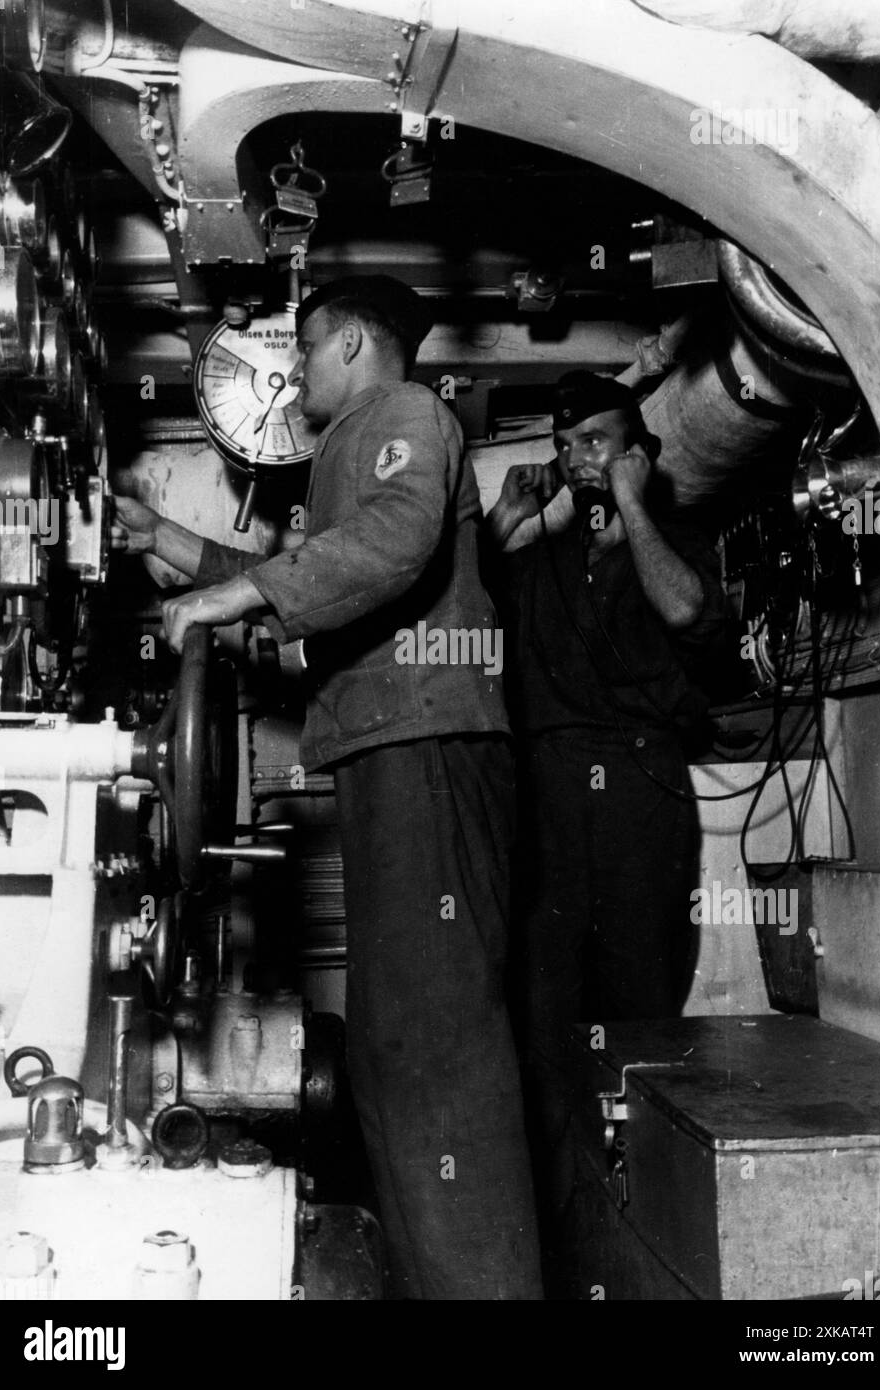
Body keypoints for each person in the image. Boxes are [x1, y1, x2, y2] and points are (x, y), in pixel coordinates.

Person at [113, 275, 543, 1300]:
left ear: (351, 343)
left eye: (303, 348)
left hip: (428, 744)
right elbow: (314, 583)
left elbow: (390, 546)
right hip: (389, 749)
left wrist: (237, 590)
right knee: (395, 1055)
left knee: (436, 1051)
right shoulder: (342, 452)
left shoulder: (403, 413)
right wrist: (168, 543)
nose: (293, 370)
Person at [486, 370, 727, 1283]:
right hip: (547, 793)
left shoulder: (675, 540)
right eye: (566, 441)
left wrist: (633, 505)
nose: (576, 456)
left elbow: (687, 610)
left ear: (637, 451)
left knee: (639, 1012)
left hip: (637, 788)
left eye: (596, 439)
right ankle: (567, 1249)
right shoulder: (537, 560)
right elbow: (460, 609)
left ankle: (650, 1239)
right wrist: (503, 524)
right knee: (544, 1025)